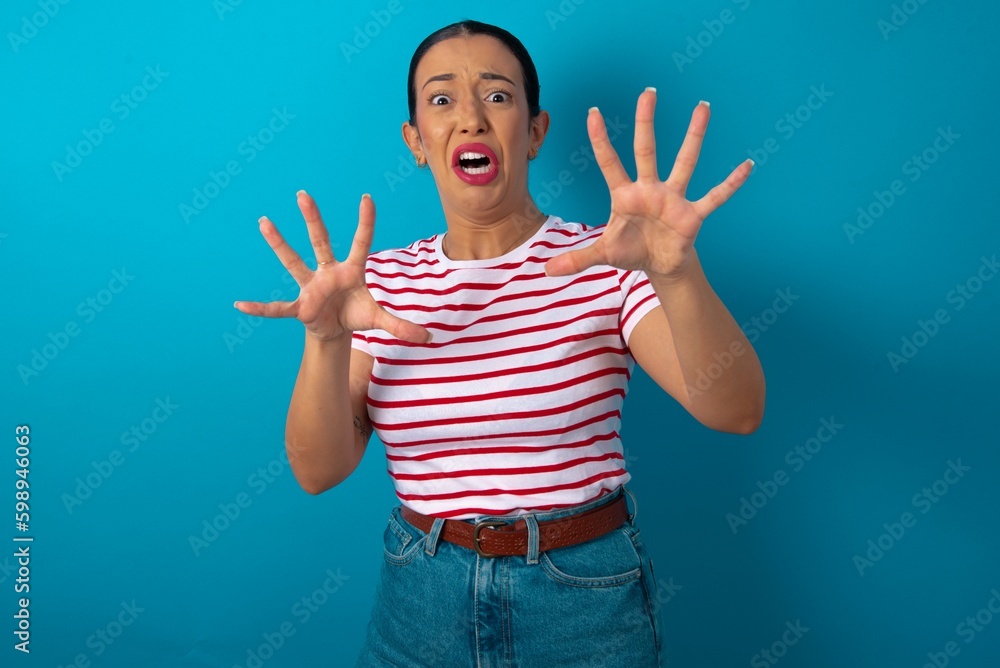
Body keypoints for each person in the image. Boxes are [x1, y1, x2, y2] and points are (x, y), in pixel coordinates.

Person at [234, 19, 764, 668]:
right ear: (416, 142)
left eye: (497, 96)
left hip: (582, 601)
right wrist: (324, 340)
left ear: (535, 131)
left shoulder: (607, 261)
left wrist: (676, 271)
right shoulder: (374, 286)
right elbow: (318, 472)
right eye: (441, 99)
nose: (470, 119)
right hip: (420, 596)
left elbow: (735, 411)